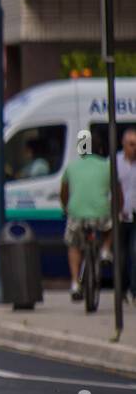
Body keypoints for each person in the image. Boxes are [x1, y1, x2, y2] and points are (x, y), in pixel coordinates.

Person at [60, 138, 119, 301]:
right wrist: (117, 211)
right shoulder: (107, 166)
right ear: (101, 150)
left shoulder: (72, 166)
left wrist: (66, 208)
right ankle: (106, 250)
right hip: (101, 213)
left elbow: (64, 193)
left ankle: (74, 283)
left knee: (73, 245)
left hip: (77, 214)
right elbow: (117, 192)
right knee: (111, 226)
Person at [116, 127, 136, 303]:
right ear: (124, 144)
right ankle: (121, 290)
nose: (134, 148)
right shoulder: (115, 163)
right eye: (131, 144)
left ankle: (134, 291)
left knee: (135, 252)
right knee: (121, 255)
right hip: (120, 216)